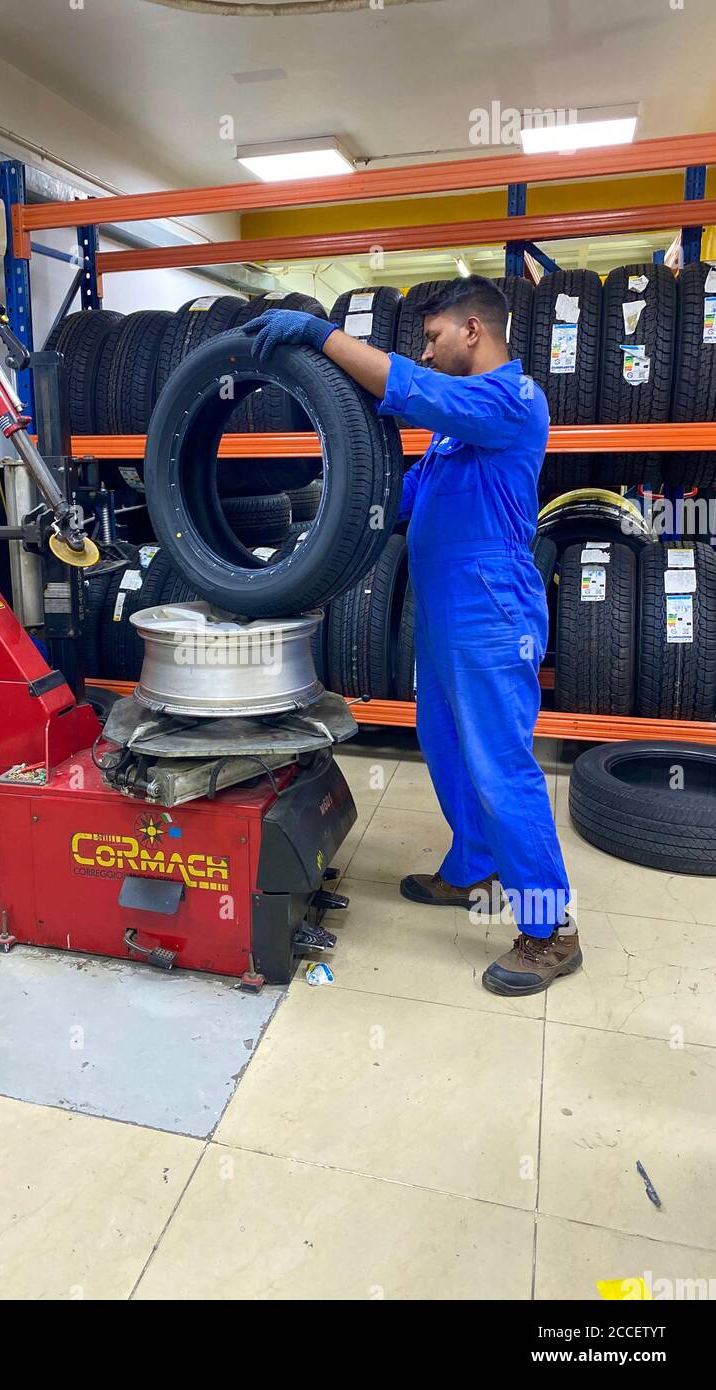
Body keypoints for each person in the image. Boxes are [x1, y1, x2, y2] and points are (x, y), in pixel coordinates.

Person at [242, 278, 579, 997]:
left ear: (472, 332)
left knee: (501, 765)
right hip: (446, 611)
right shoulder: (459, 433)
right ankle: (473, 868)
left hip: (491, 612)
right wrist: (309, 518)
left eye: (432, 337)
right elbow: (402, 493)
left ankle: (550, 930)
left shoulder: (508, 402)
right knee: (446, 744)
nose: (425, 349)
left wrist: (320, 337)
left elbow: (417, 389)